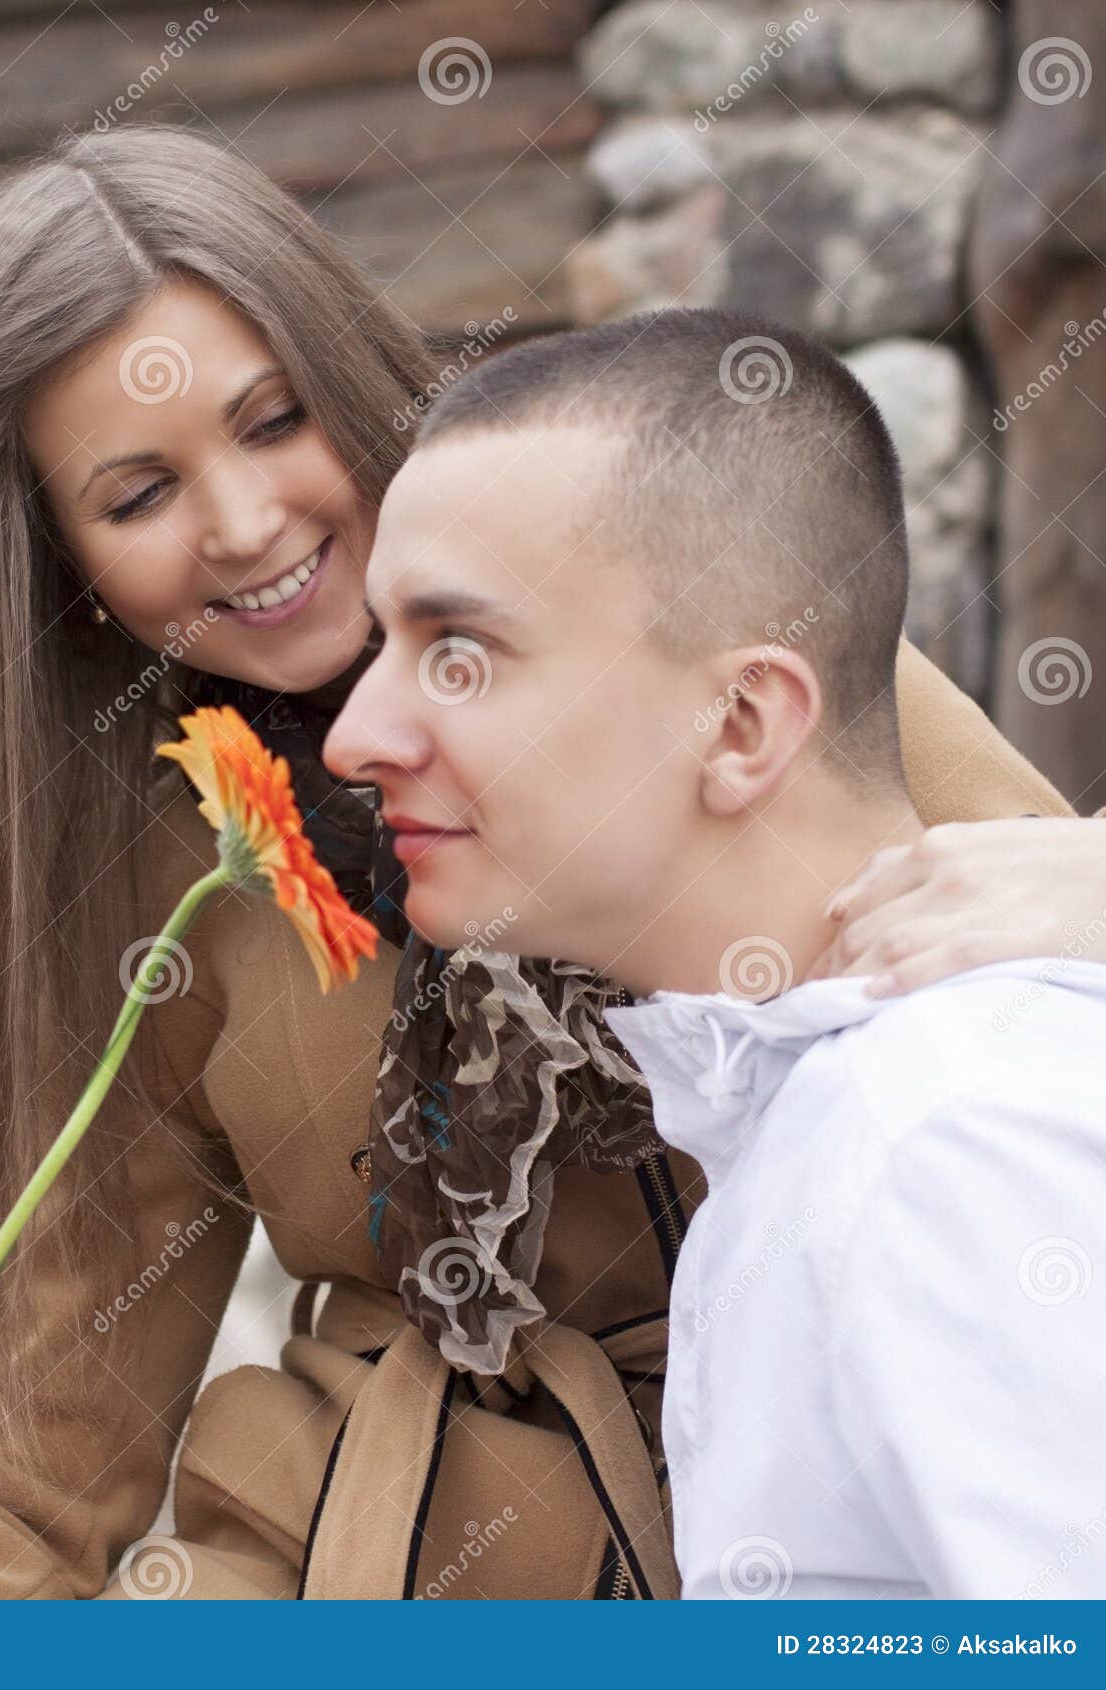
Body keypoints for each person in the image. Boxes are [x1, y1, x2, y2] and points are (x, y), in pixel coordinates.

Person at [0, 126, 1094, 1602]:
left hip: (826, 1486)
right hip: (396, 1556)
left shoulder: (678, 619)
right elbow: (41, 1446)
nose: (246, 526)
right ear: (58, 567)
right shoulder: (143, 871)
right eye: (136, 497)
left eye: (272, 418)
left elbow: (1022, 1013)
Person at [323, 307, 1106, 1599]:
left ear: (742, 721)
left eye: (457, 653)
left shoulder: (934, 1144)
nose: (358, 734)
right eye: (384, 647)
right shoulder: (819, 1136)